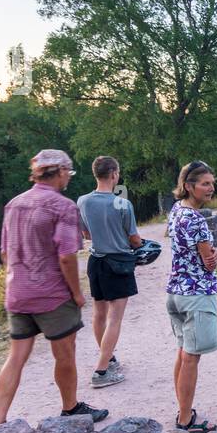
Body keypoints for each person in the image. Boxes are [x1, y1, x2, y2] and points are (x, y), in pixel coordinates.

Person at [0, 149, 109, 426]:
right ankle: (70, 408)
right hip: (52, 294)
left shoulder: (14, 205)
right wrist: (77, 294)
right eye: (68, 172)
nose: (68, 177)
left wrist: (17, 278)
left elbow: (5, 253)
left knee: (16, 356)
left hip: (17, 292)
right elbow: (66, 256)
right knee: (64, 352)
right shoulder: (63, 206)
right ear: (59, 172)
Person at [76, 155, 143, 388]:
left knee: (99, 315)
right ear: (114, 173)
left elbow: (86, 235)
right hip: (118, 263)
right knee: (115, 318)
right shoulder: (122, 203)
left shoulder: (82, 201)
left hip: (96, 262)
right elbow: (135, 239)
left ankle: (109, 358)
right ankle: (102, 371)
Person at [165, 160, 217, 433]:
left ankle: (183, 410)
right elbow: (209, 261)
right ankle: (186, 420)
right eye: (205, 183)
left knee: (183, 352)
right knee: (191, 358)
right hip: (196, 293)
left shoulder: (176, 210)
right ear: (188, 186)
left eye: (211, 182)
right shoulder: (197, 220)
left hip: (175, 292)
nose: (211, 188)